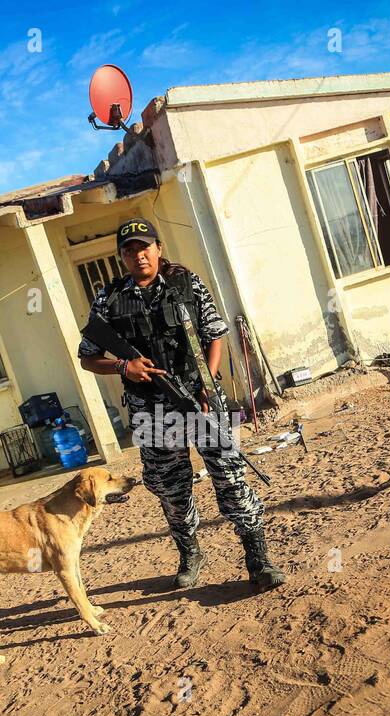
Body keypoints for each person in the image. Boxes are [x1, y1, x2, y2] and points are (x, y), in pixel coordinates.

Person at [77, 218, 286, 593]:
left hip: (201, 398)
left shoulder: (186, 284)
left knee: (231, 477)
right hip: (150, 410)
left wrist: (208, 384)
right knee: (172, 489)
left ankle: (258, 559)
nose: (138, 255)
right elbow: (88, 357)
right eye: (129, 250)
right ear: (121, 256)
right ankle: (191, 553)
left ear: (158, 248)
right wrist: (126, 366)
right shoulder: (108, 300)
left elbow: (215, 335)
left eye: (145, 247)